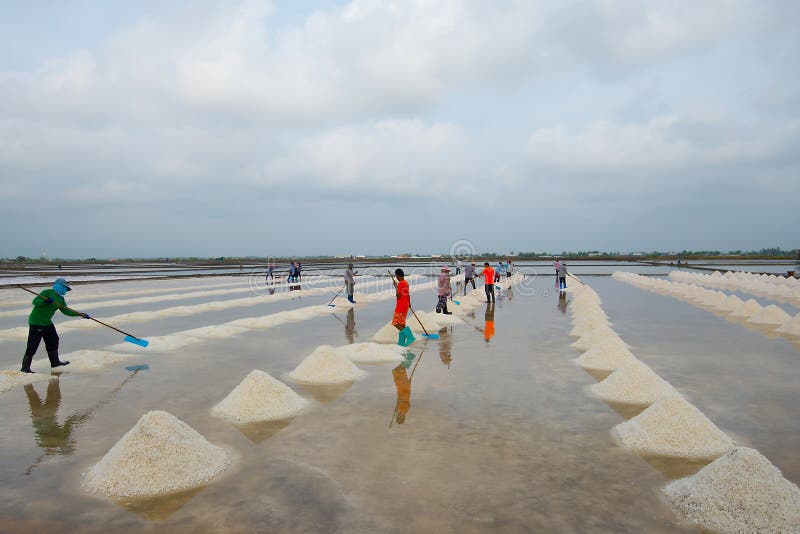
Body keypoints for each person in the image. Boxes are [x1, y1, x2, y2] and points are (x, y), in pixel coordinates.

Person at [20, 278, 89, 373]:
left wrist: (80, 314)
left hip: (47, 322)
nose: (65, 291)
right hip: (36, 322)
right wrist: (45, 301)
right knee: (33, 345)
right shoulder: (47, 292)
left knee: (53, 340)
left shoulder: (60, 299)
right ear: (59, 286)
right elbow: (35, 302)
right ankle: (25, 368)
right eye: (65, 288)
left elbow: (66, 310)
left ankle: (55, 362)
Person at [392, 269, 415, 346]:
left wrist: (395, 286)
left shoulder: (401, 284)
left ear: (398, 275)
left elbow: (398, 296)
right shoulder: (406, 283)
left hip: (401, 305)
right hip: (405, 305)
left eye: (396, 276)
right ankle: (401, 342)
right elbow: (408, 295)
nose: (396, 277)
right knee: (401, 324)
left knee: (395, 323)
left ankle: (409, 336)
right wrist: (409, 303)